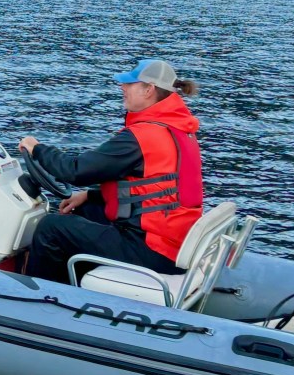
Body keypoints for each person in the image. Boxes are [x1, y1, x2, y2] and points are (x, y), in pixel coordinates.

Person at [17, 58, 204, 285]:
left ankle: (42, 297)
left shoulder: (141, 137)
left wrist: (36, 149)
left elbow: (75, 170)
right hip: (170, 241)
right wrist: (90, 195)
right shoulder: (179, 129)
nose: (122, 87)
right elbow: (151, 187)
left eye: (129, 83)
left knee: (50, 228)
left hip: (152, 249)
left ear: (148, 90)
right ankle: (77, 283)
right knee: (85, 209)